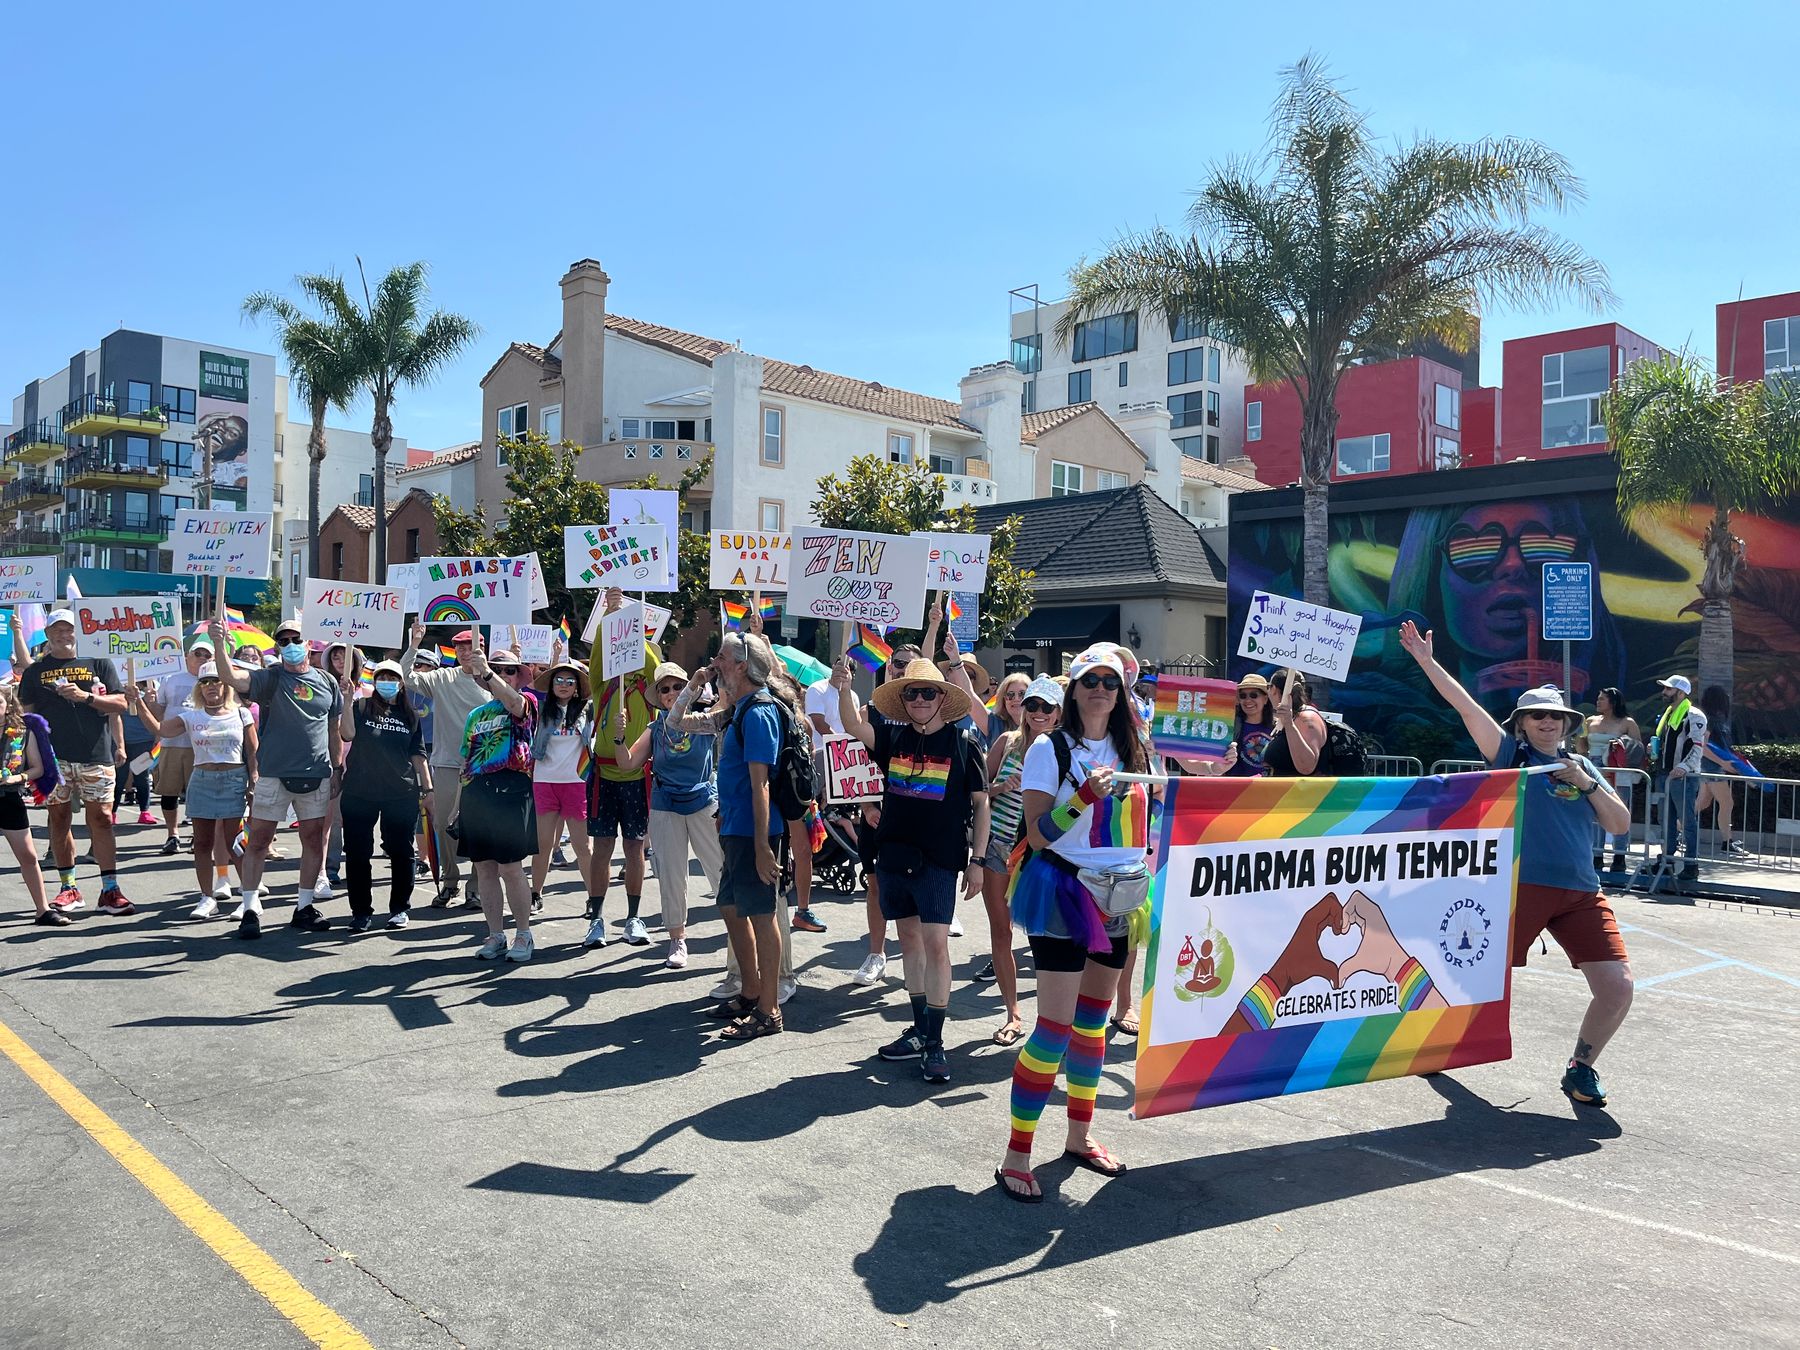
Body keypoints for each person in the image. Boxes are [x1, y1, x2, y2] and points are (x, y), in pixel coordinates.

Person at [1400, 620, 1634, 1107]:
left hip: (1580, 894)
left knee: (1618, 987)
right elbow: (1466, 707)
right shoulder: (1508, 756)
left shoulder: (1583, 768)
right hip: (1516, 890)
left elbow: (1619, 824)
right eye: (1537, 716)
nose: (1547, 723)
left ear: (1568, 724)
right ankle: (1429, 1036)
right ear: (1521, 724)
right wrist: (1426, 661)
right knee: (1467, 975)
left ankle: (1581, 1069)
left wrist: (1587, 782)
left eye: (1555, 717)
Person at [995, 644, 1153, 1201]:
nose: (1101, 690)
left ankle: (1079, 1139)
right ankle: (1017, 1153)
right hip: (1062, 893)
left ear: (1121, 692)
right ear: (1074, 688)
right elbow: (1038, 834)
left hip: (1121, 897)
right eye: (1091, 681)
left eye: (1111, 682)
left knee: (1092, 1026)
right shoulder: (1049, 748)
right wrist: (1085, 794)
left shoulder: (1137, 746)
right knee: (1055, 1029)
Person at [835, 656, 989, 1084]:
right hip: (895, 856)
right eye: (912, 692)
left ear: (943, 697)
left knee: (937, 945)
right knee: (908, 940)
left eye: (928, 692)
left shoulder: (964, 744)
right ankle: (919, 1030)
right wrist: (843, 685)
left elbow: (981, 805)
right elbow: (852, 723)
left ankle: (935, 1041)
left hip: (940, 860)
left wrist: (977, 860)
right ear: (903, 699)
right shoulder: (891, 735)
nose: (919, 699)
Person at [214, 612, 343, 935]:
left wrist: (337, 768)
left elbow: (334, 730)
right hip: (273, 773)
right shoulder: (269, 678)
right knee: (259, 840)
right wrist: (219, 645)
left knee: (313, 840)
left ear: (308, 643)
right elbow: (232, 678)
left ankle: (303, 907)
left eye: (296, 640)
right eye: (283, 641)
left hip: (316, 774)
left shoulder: (327, 682)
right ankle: (249, 910)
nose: (290, 645)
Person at [18, 609, 133, 914]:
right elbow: (26, 718)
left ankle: (110, 890)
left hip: (96, 754)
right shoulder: (35, 672)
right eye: (57, 630)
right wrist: (24, 757)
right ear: (48, 634)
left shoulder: (98, 662)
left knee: (102, 820)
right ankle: (69, 888)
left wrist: (84, 697)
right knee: (58, 820)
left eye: (68, 630)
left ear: (78, 632)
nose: (63, 635)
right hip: (52, 758)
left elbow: (120, 704)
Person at [125, 660, 257, 922]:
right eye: (205, 682)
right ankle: (207, 897)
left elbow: (253, 750)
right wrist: (139, 702)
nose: (210, 687)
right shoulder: (191, 716)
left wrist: (253, 779)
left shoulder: (241, 714)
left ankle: (248, 898)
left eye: (216, 681)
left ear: (226, 685)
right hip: (202, 781)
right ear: (199, 688)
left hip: (233, 779)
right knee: (202, 842)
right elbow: (160, 729)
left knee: (236, 842)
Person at [709, 631, 788, 1041]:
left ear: (742, 665)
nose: (715, 662)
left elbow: (762, 785)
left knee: (761, 915)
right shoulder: (741, 708)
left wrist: (761, 847)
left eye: (722, 656)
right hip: (737, 828)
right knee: (730, 907)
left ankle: (769, 1009)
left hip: (753, 833)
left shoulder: (758, 712)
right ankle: (752, 990)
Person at [622, 661, 723, 970]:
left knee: (721, 870)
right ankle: (677, 939)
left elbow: (731, 697)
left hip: (703, 800)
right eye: (664, 689)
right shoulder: (655, 728)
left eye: (677, 686)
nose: (671, 693)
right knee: (671, 875)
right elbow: (627, 764)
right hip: (666, 804)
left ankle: (739, 929)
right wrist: (618, 736)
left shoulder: (706, 719)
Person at [979, 674, 1061, 1045]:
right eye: (1032, 705)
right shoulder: (1007, 743)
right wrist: (998, 787)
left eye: (1046, 706)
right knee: (1002, 932)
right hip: (999, 845)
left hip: (1042, 854)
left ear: (1059, 712)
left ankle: (1054, 1019)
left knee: (1047, 938)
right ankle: (1012, 1014)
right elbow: (977, 793)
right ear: (1021, 709)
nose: (1038, 712)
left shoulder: (1065, 749)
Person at [401, 624, 500, 907]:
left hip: (483, 767)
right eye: (461, 648)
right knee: (444, 824)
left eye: (471, 647)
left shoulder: (494, 681)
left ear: (482, 649)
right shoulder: (442, 677)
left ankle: (476, 886)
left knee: (481, 829)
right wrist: (414, 643)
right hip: (446, 764)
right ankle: (450, 881)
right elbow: (408, 678)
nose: (466, 652)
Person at [456, 641, 539, 961]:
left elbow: (515, 704)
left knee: (510, 867)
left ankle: (523, 934)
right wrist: (456, 807)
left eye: (510, 671)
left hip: (512, 789)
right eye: (498, 668)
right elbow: (467, 761)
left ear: (519, 676)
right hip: (478, 792)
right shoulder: (476, 714)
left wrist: (489, 673)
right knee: (484, 868)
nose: (504, 674)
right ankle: (495, 934)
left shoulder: (525, 701)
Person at [584, 588, 656, 947]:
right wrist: (610, 615)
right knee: (602, 848)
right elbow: (599, 651)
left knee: (634, 848)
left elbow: (658, 671)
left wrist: (629, 622)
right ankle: (595, 918)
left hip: (637, 777)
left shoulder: (649, 687)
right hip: (604, 775)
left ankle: (633, 917)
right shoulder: (601, 686)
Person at [337, 659, 428, 931]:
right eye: (382, 677)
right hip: (359, 791)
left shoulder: (410, 715)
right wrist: (345, 699)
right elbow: (346, 733)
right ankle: (361, 912)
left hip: (401, 792)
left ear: (401, 683)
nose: (387, 682)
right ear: (375, 681)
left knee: (401, 851)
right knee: (357, 853)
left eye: (393, 678)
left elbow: (418, 755)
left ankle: (400, 908)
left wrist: (429, 789)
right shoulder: (361, 706)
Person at [528, 659, 595, 917]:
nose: (564, 685)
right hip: (545, 781)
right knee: (543, 844)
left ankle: (593, 898)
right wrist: (553, 660)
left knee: (582, 846)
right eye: (559, 680)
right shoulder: (541, 709)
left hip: (576, 784)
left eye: (570, 681)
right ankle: (536, 894)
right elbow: (525, 690)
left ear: (577, 687)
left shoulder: (588, 710)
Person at [0, 682, 66, 926]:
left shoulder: (22, 731)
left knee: (28, 856)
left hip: (8, 797)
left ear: (7, 705)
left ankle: (43, 910)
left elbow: (37, 767)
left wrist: (16, 777)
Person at [145, 637, 215, 856]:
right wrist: (149, 701)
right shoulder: (171, 679)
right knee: (169, 792)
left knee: (198, 795)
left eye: (207, 655)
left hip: (201, 746)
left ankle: (198, 835)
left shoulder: (213, 680)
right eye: (198, 654)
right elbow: (158, 712)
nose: (202, 658)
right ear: (187, 656)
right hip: (171, 743)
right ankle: (172, 835)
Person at [1649, 674, 1708, 883]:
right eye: (1664, 688)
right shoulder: (1668, 713)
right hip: (1665, 773)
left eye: (1668, 689)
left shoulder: (1694, 715)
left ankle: (1691, 865)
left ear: (1680, 692)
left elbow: (1697, 746)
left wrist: (1684, 767)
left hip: (1683, 776)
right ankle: (1667, 860)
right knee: (1665, 820)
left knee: (1687, 821)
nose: (1664, 692)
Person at [1582, 687, 1642, 875]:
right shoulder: (1590, 721)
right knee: (1595, 813)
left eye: (1602, 699)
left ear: (1613, 702)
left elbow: (1637, 749)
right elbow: (1582, 746)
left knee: (1620, 810)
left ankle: (1619, 856)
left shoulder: (1627, 723)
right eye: (1597, 699)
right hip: (1595, 769)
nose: (1598, 702)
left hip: (1619, 772)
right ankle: (1597, 855)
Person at [1695, 685, 1748, 860]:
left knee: (1703, 803)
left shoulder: (1719, 720)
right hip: (1712, 768)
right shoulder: (1709, 720)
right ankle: (1727, 842)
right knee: (1727, 803)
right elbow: (1703, 746)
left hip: (1713, 768)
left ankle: (1675, 828)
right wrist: (1723, 762)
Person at [1262, 671, 1333, 777]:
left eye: (1268, 686)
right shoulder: (1290, 718)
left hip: (1301, 791)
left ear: (1273, 689)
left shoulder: (1307, 718)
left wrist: (1289, 724)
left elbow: (1306, 767)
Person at [114, 684, 158, 824]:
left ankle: (144, 812)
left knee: (142, 776)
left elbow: (158, 715)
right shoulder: (117, 686)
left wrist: (151, 702)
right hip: (121, 742)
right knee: (119, 777)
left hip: (144, 741)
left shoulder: (151, 688)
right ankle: (112, 812)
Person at [1227, 673, 1278, 777]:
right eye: (1243, 696)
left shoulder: (1278, 727)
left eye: (1254, 695)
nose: (1248, 700)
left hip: (1271, 789)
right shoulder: (1230, 727)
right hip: (1238, 789)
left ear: (1265, 699)